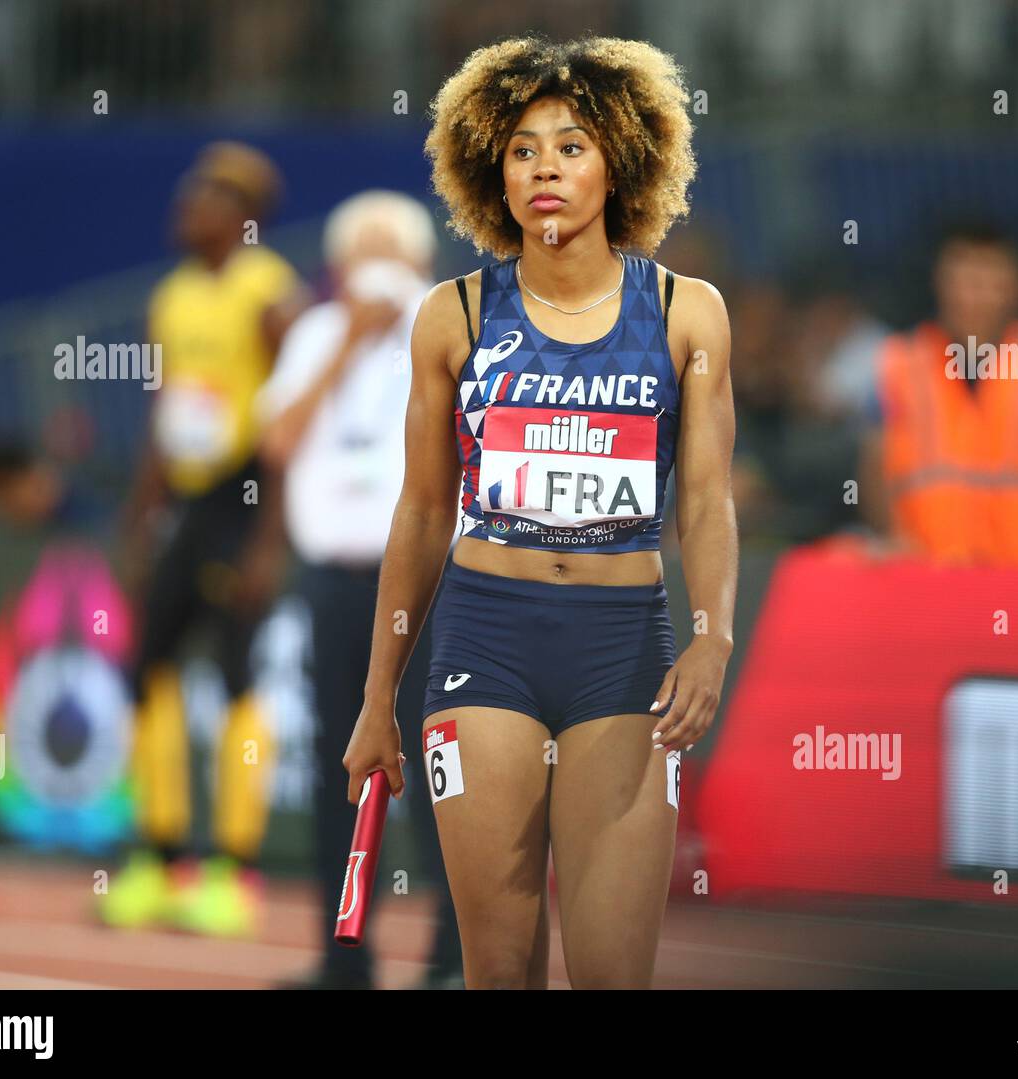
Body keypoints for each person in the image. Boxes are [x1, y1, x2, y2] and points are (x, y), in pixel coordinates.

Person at [342, 35, 738, 989]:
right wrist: (376, 694)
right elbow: (424, 509)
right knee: (501, 970)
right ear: (493, 169)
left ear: (620, 160)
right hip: (487, 638)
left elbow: (707, 500)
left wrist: (714, 636)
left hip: (622, 650)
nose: (546, 168)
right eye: (523, 148)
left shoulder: (689, 312)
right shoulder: (456, 315)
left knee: (609, 972)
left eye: (572, 145)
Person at [99, 141, 311, 937]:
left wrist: (270, 537)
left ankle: (236, 869)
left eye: (202, 199)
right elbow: (165, 413)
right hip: (186, 506)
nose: (185, 210)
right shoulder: (173, 295)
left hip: (243, 499)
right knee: (147, 664)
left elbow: (292, 419)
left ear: (242, 215)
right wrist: (138, 519)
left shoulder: (271, 295)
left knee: (234, 676)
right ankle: (160, 856)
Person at [256, 190, 465, 989]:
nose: (373, 268)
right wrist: (346, 344)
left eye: (389, 250)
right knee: (335, 768)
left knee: (444, 767)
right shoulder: (315, 332)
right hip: (336, 581)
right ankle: (345, 959)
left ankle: (456, 959)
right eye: (359, 253)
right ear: (338, 268)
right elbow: (277, 440)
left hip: (427, 579)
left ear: (417, 260)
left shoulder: (447, 323)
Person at [861, 222, 1018, 567]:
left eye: (990, 282)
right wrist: (892, 538)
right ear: (941, 284)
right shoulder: (901, 362)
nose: (975, 296)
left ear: (1015, 288)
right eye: (964, 280)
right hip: (929, 572)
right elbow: (874, 460)